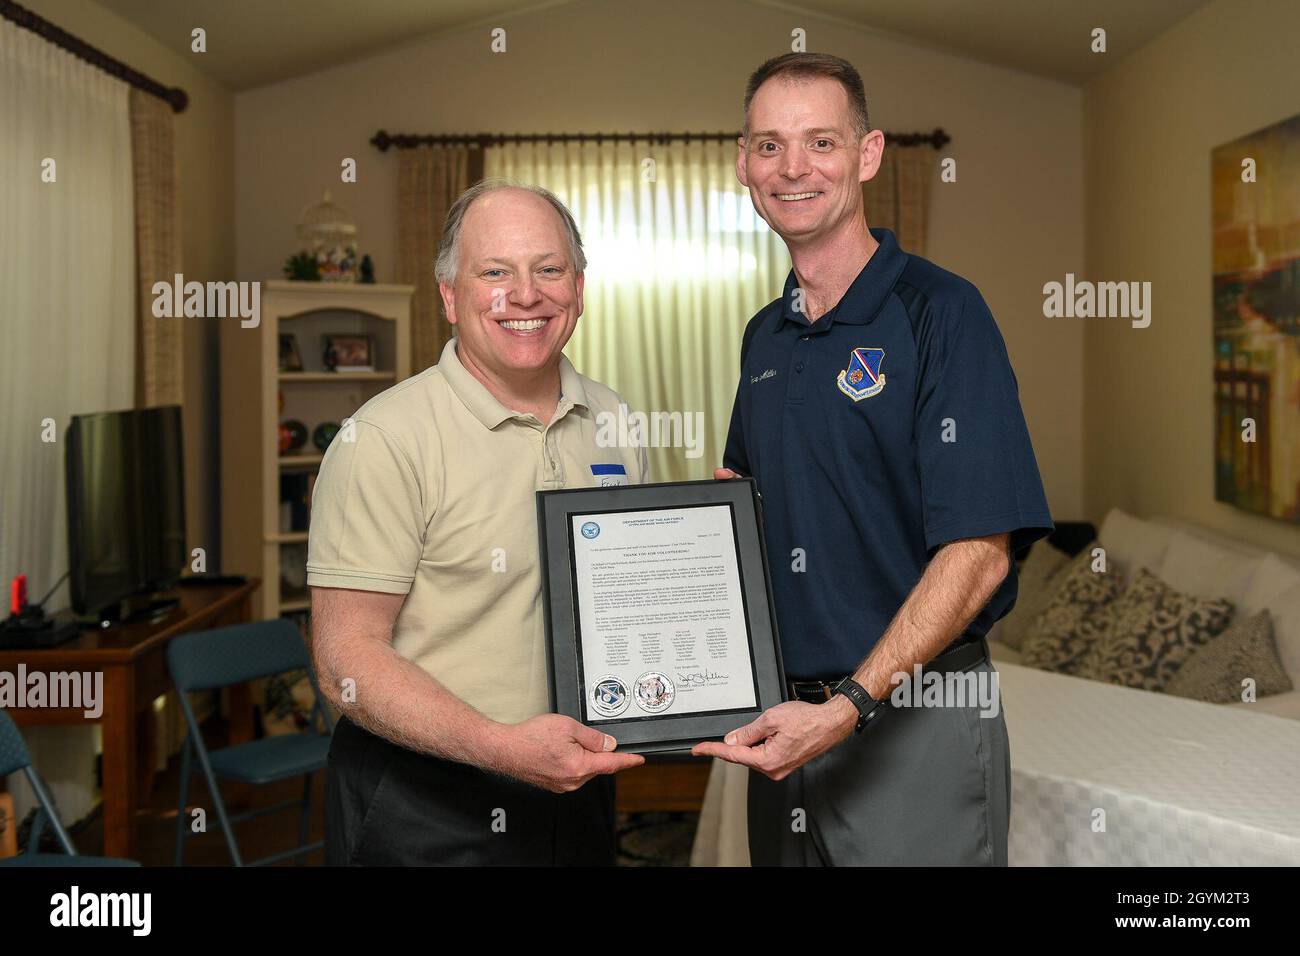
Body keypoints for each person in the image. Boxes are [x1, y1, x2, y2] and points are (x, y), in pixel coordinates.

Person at [694, 52, 1054, 866]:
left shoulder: (943, 314)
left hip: (913, 721)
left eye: (821, 142)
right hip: (785, 727)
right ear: (743, 164)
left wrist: (850, 704)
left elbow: (978, 555)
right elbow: (746, 507)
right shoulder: (765, 335)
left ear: (868, 154)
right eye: (768, 146)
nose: (793, 168)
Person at [307, 181, 648, 865]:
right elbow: (345, 660)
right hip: (423, 804)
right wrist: (500, 747)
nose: (525, 295)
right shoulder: (382, 438)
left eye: (548, 269)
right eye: (495, 272)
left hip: (575, 788)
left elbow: (630, 600)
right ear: (450, 295)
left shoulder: (614, 419)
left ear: (578, 289)